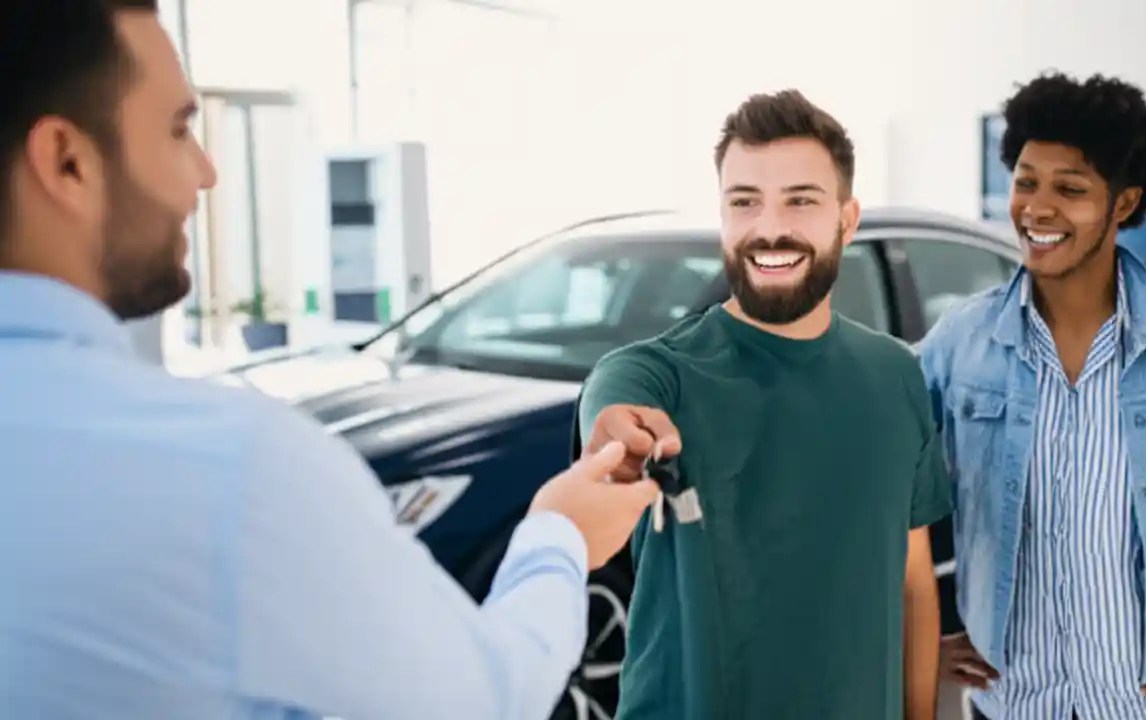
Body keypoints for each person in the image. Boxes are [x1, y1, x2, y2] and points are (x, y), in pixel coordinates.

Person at [0, 2, 659, 719]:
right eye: (179, 129)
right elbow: (481, 701)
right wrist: (557, 535)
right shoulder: (231, 467)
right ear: (67, 162)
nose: (207, 172)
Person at [577, 89, 953, 720]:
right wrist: (620, 438)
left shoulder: (896, 376)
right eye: (744, 201)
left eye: (801, 201)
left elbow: (913, 577)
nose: (770, 228)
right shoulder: (658, 373)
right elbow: (614, 410)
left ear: (847, 218)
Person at [920, 71, 1146, 720]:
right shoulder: (959, 342)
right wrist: (913, 636)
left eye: (1070, 187)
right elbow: (861, 475)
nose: (1037, 207)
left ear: (1123, 203)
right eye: (1026, 181)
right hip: (1009, 704)